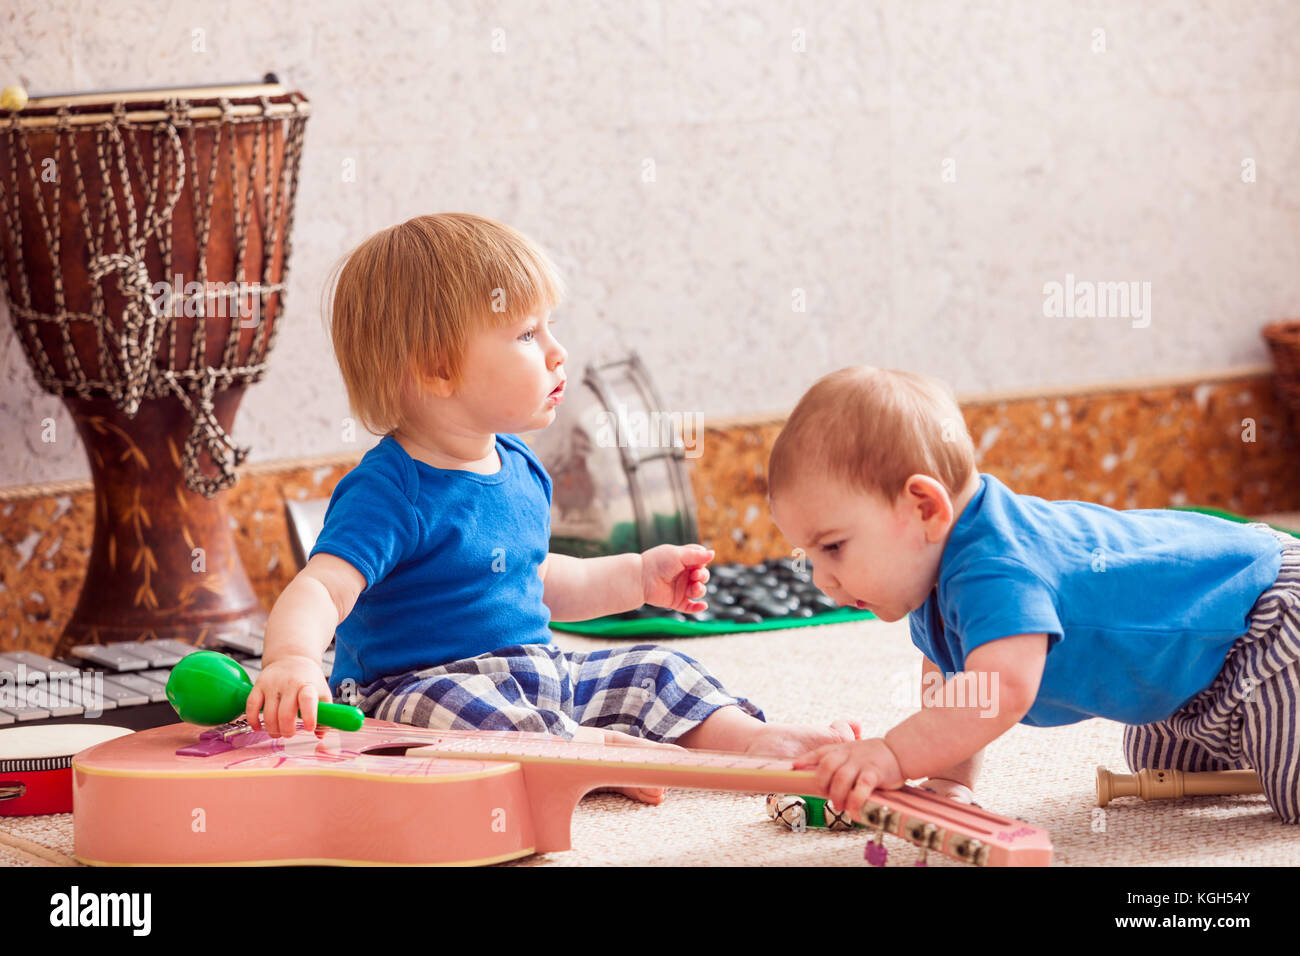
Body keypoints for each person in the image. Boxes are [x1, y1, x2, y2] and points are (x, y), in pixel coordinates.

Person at [246, 213, 857, 804]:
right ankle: (591, 755)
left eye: (549, 328)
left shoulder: (517, 465)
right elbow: (322, 589)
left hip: (540, 672)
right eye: (526, 335)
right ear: (437, 368)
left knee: (657, 668)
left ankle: (748, 739)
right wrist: (293, 662)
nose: (557, 352)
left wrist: (639, 577)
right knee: (471, 722)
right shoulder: (388, 490)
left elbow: (538, 579)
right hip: (413, 693)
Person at [769, 365, 1298, 823]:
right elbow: (956, 686)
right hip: (1191, 674)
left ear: (924, 508)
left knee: (1292, 789)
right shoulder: (929, 570)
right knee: (1161, 768)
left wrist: (894, 753)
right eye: (811, 556)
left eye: (833, 547)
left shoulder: (997, 567)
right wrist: (951, 782)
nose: (821, 579)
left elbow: (999, 689)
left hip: (1265, 617)